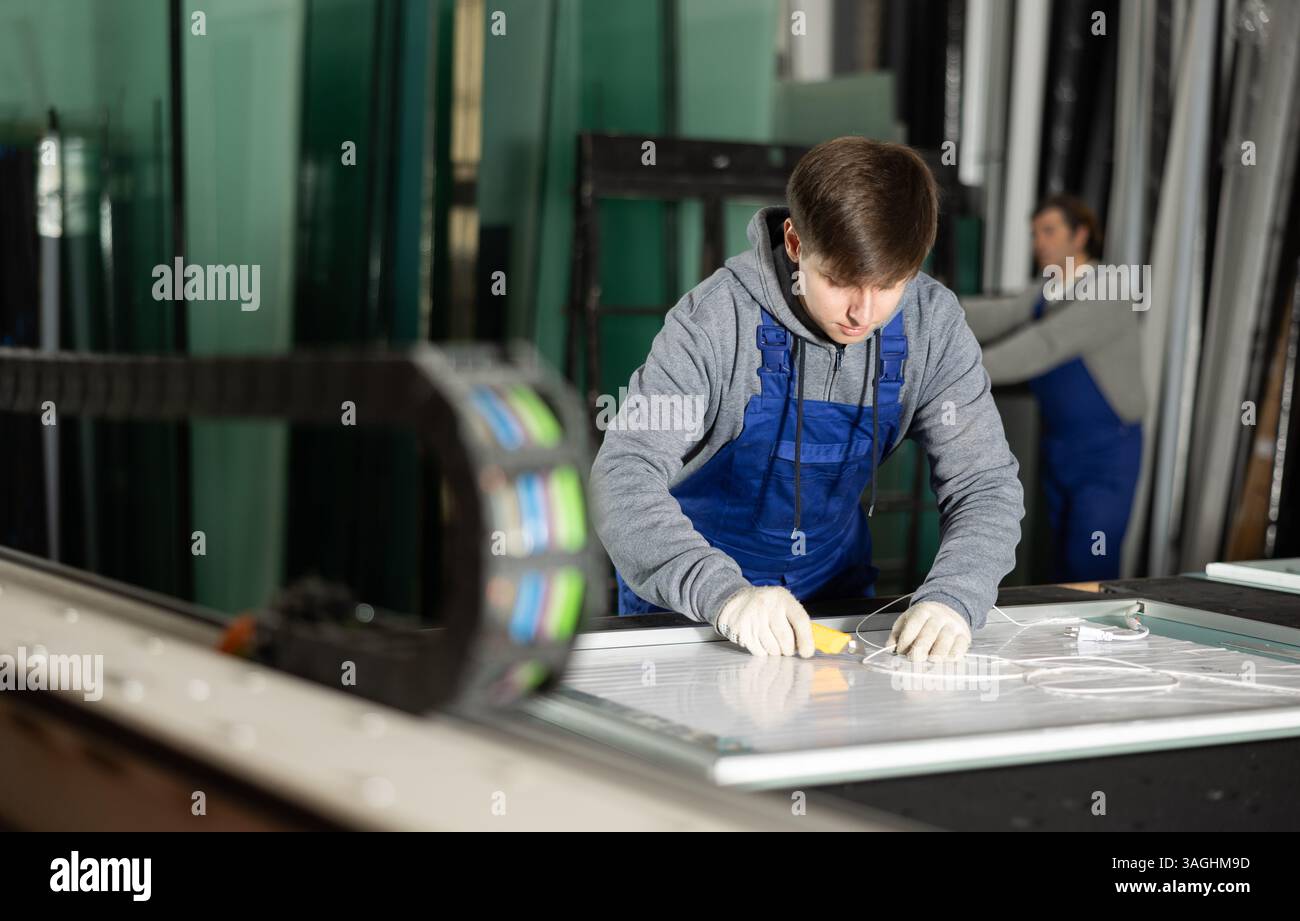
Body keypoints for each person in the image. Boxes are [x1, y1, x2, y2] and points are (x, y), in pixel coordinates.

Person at [590, 136, 1024, 661]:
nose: (863, 314)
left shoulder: (934, 327)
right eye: (840, 281)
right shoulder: (714, 321)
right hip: (692, 615)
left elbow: (984, 484)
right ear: (795, 244)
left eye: (890, 284)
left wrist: (955, 596)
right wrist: (724, 597)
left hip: (834, 607)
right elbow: (622, 476)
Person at [964, 194, 1146, 582]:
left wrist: (960, 372)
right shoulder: (1046, 290)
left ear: (1080, 235)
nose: (1038, 243)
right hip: (1059, 446)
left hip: (1106, 451)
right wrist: (923, 302)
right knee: (1056, 564)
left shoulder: (1108, 290)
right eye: (1034, 234)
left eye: (1049, 231)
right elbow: (997, 314)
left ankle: (1100, 642)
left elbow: (1045, 344)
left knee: (1089, 562)